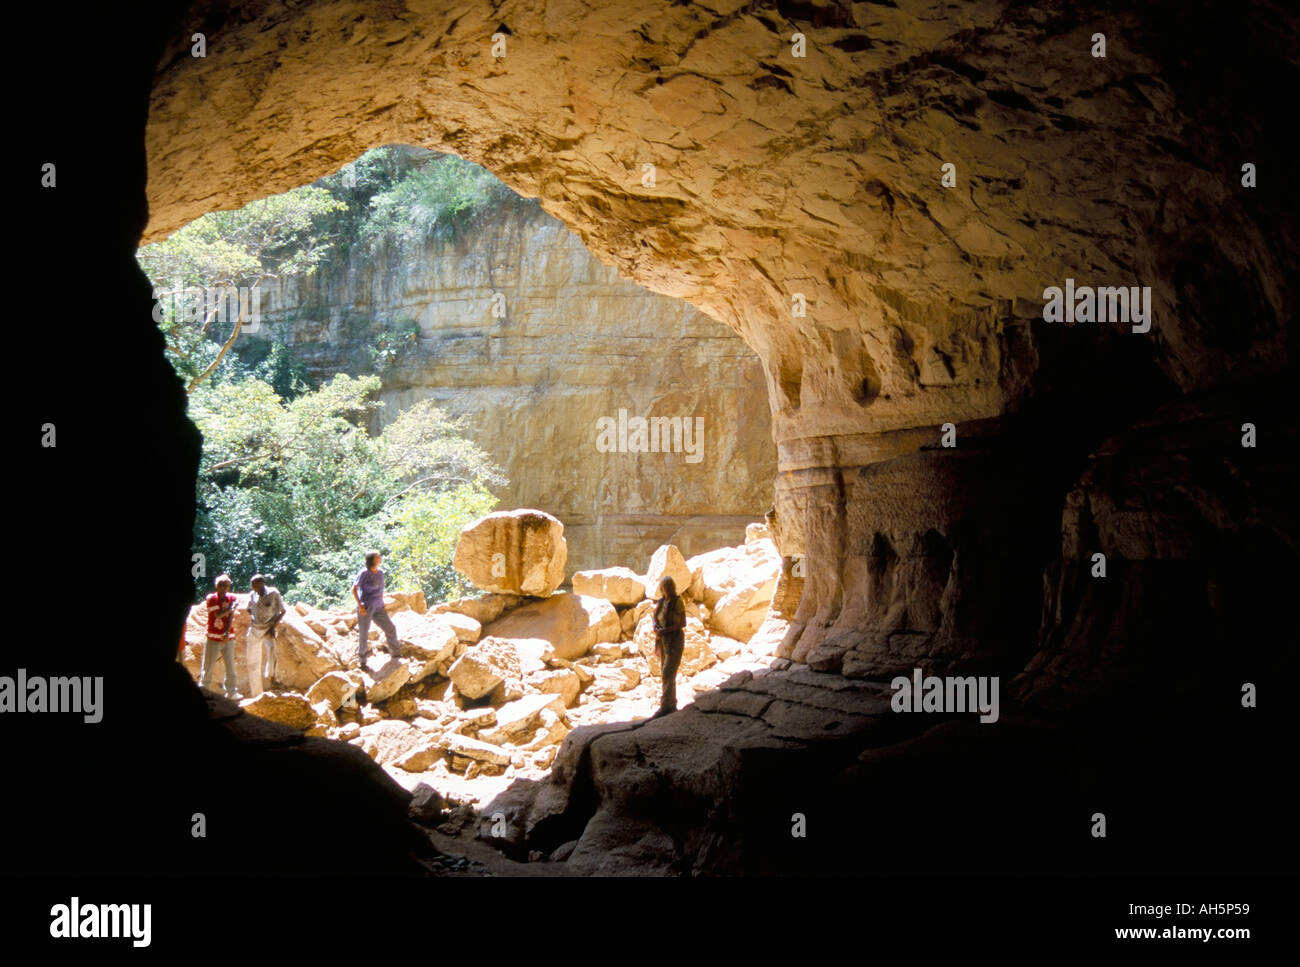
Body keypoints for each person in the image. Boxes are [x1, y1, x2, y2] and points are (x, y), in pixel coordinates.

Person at [352, 550, 401, 668]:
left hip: (378, 606)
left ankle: (396, 655)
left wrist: (382, 604)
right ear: (372, 559)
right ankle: (362, 661)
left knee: (390, 628)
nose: (380, 558)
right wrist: (360, 606)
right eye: (378, 557)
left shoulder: (380, 573)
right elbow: (354, 589)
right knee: (364, 633)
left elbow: (381, 590)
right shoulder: (364, 573)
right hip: (366, 606)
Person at [200, 574, 242, 700]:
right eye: (221, 585)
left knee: (230, 665)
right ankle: (204, 690)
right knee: (208, 665)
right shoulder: (212, 598)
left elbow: (230, 616)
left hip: (227, 636)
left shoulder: (232, 597)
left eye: (226, 586)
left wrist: (227, 632)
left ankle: (231, 691)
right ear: (216, 586)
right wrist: (231, 608)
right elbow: (218, 615)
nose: (224, 588)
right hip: (213, 635)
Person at [651, 575, 686, 718]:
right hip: (663, 641)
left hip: (674, 641)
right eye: (665, 587)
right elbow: (654, 617)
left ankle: (665, 706)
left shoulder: (678, 602)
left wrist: (666, 630)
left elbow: (683, 623)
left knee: (667, 673)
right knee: (666, 674)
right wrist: (656, 628)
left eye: (669, 586)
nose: (667, 589)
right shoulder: (661, 602)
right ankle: (671, 704)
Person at [246, 573, 286, 696]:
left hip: (269, 628)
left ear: (262, 583)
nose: (253, 587)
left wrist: (273, 625)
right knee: (252, 661)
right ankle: (256, 694)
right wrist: (253, 619)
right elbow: (248, 608)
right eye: (252, 585)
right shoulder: (252, 595)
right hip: (255, 629)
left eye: (255, 584)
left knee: (272, 655)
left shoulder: (273, 593)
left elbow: (283, 610)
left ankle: (273, 680)